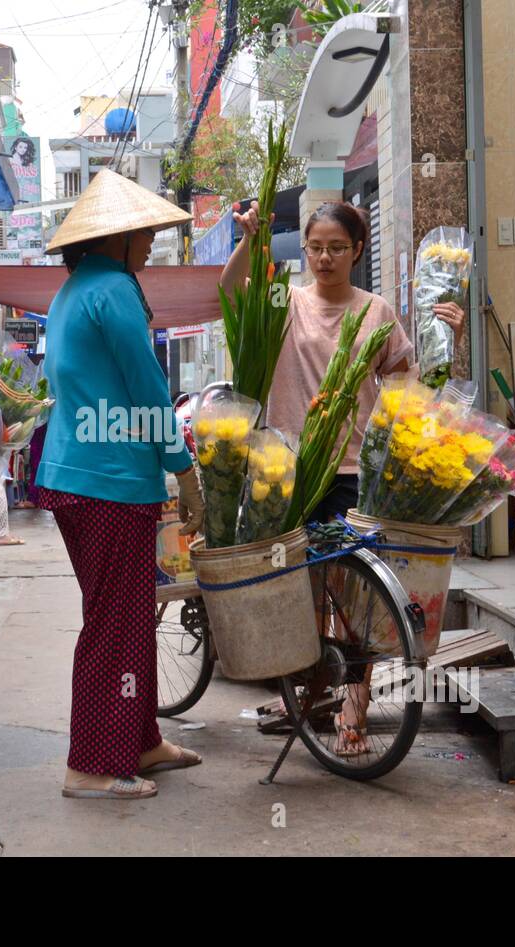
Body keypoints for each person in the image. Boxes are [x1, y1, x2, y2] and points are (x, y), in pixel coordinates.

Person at [220, 200, 465, 755]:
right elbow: (233, 291)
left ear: (358, 251)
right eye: (315, 247)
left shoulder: (376, 311)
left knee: (355, 597)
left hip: (352, 469)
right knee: (301, 589)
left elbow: (406, 390)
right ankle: (304, 693)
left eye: (336, 247)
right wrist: (250, 241)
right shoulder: (286, 302)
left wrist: (445, 342)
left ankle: (351, 713)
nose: (324, 258)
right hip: (287, 466)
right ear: (302, 249)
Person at [37, 169, 206, 800]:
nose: (155, 242)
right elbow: (145, 386)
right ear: (124, 237)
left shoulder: (76, 288)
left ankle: (139, 740)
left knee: (129, 616)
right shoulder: (114, 289)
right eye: (150, 233)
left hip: (80, 475)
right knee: (115, 621)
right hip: (107, 481)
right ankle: (91, 764)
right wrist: (183, 470)